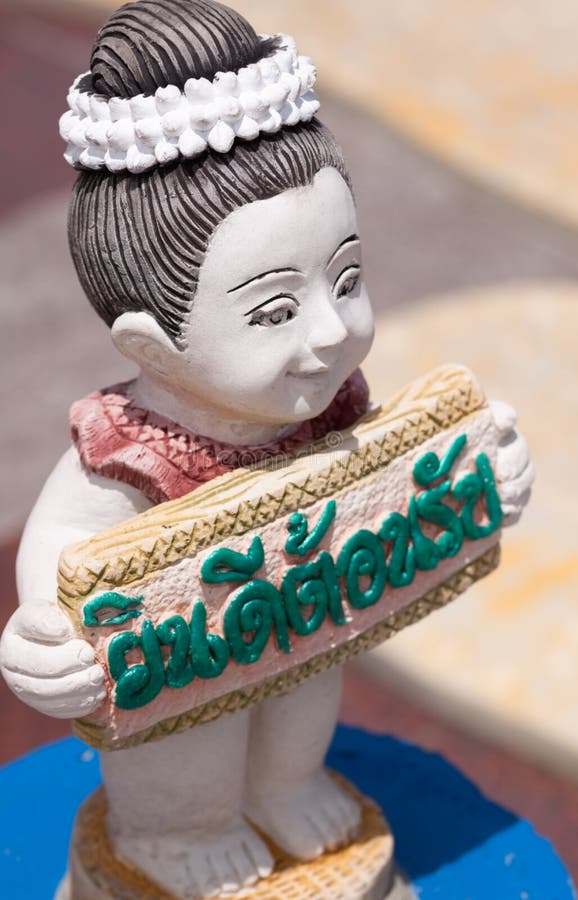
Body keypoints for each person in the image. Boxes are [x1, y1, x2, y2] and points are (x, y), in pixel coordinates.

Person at [0, 1, 533, 897]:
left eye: (349, 277)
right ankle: (177, 829)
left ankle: (286, 785)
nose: (332, 330)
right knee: (189, 740)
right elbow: (63, 550)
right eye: (275, 310)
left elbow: (411, 486)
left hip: (301, 625)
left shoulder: (330, 415)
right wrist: (46, 638)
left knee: (305, 691)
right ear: (147, 346)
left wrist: (481, 482)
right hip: (181, 663)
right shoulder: (130, 453)